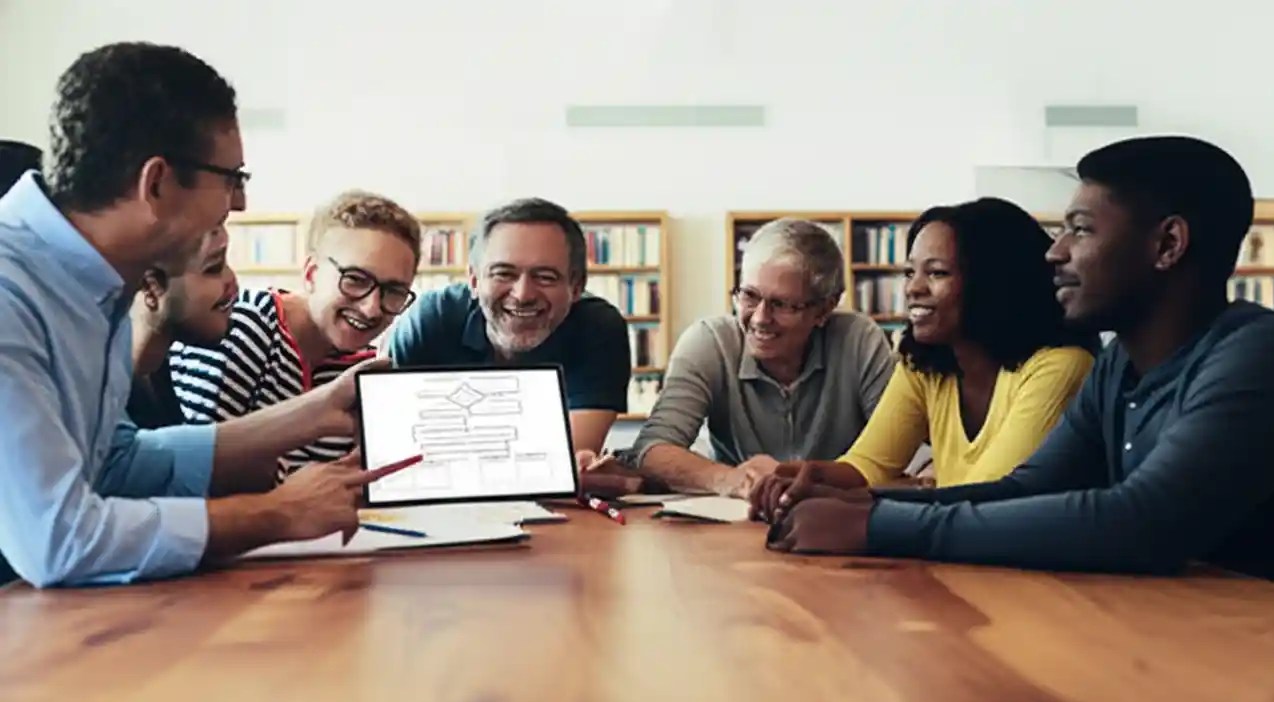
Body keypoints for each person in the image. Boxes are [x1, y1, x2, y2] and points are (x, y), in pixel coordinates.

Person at [757, 136, 1274, 581]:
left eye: (1080, 228)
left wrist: (876, 527)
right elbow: (1024, 489)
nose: (1054, 253)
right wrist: (869, 504)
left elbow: (1143, 521)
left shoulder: (1255, 355)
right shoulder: (1119, 365)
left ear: (1168, 244)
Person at [0, 42, 416, 589]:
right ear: (157, 185)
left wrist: (312, 412)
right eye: (231, 178)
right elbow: (60, 539)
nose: (238, 205)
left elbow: (116, 465)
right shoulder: (13, 292)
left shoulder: (95, 283)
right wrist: (278, 514)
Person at [754, 199, 1096, 497]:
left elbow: (989, 496)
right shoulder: (926, 364)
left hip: (1032, 566)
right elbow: (868, 466)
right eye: (908, 272)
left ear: (993, 283)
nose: (913, 288)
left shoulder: (1061, 367)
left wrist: (855, 503)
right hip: (955, 555)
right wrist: (799, 478)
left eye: (936, 273)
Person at [593, 218, 894, 497]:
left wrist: (801, 479)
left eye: (782, 304)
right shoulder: (710, 341)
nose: (760, 318)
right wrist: (732, 479)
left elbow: (901, 454)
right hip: (737, 521)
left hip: (836, 517)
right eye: (749, 296)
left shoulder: (859, 340)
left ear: (824, 309)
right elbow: (651, 450)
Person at [170, 189, 421, 478]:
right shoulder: (244, 324)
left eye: (394, 292)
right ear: (311, 273)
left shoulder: (358, 365)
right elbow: (191, 472)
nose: (371, 308)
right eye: (355, 279)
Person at [385, 197, 631, 454]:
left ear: (577, 287)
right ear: (474, 280)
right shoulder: (430, 320)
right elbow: (395, 443)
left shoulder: (598, 328)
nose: (523, 294)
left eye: (545, 277)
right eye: (503, 273)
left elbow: (566, 463)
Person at [128, 224, 238, 430]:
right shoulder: (104, 392)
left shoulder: (156, 374)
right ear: (151, 287)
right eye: (213, 268)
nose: (231, 280)